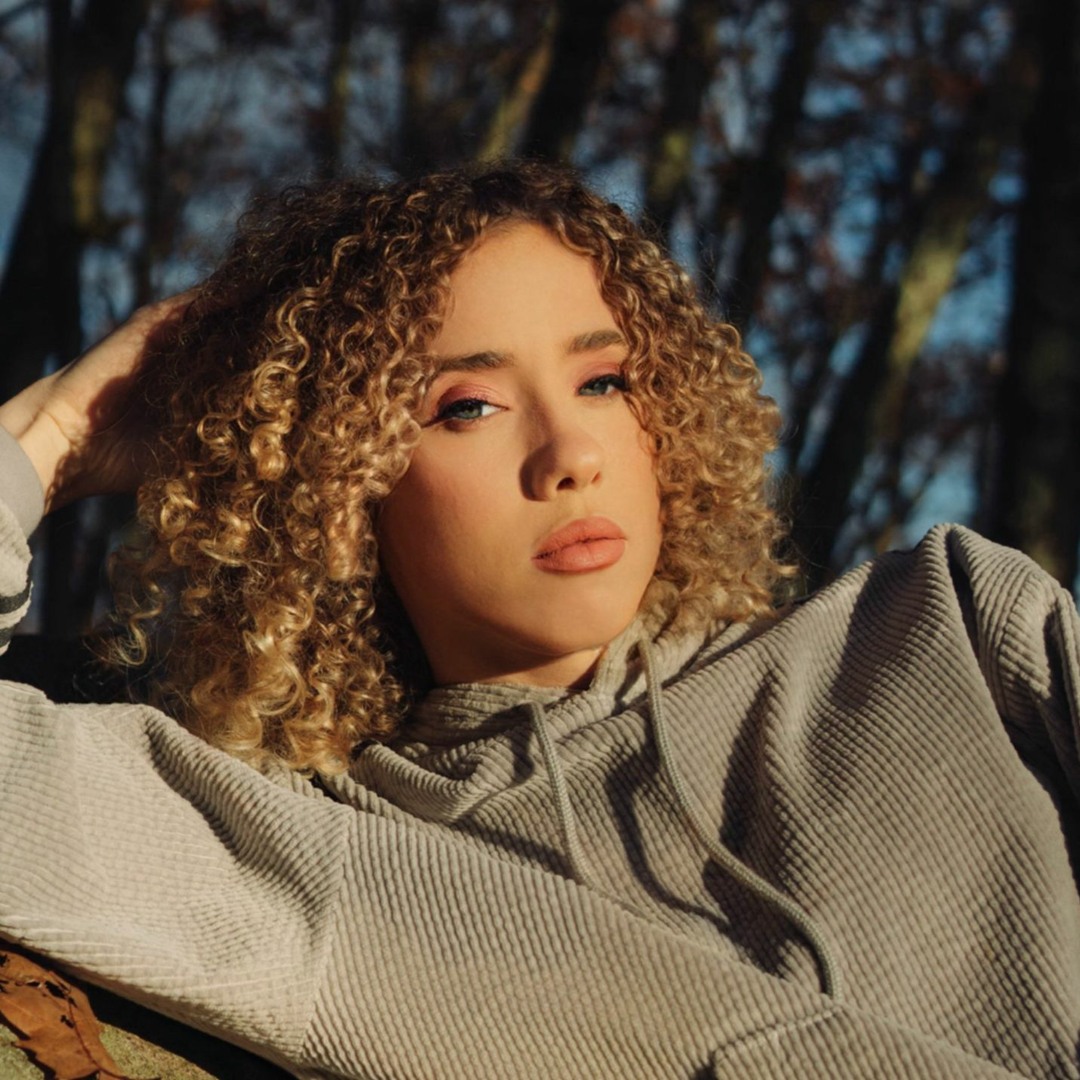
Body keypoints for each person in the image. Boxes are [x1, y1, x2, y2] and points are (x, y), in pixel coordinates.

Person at [0, 160, 1077, 1079]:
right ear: (337, 485)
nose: (572, 453)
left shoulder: (945, 627)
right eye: (468, 406)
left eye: (605, 381)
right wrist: (51, 434)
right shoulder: (312, 850)